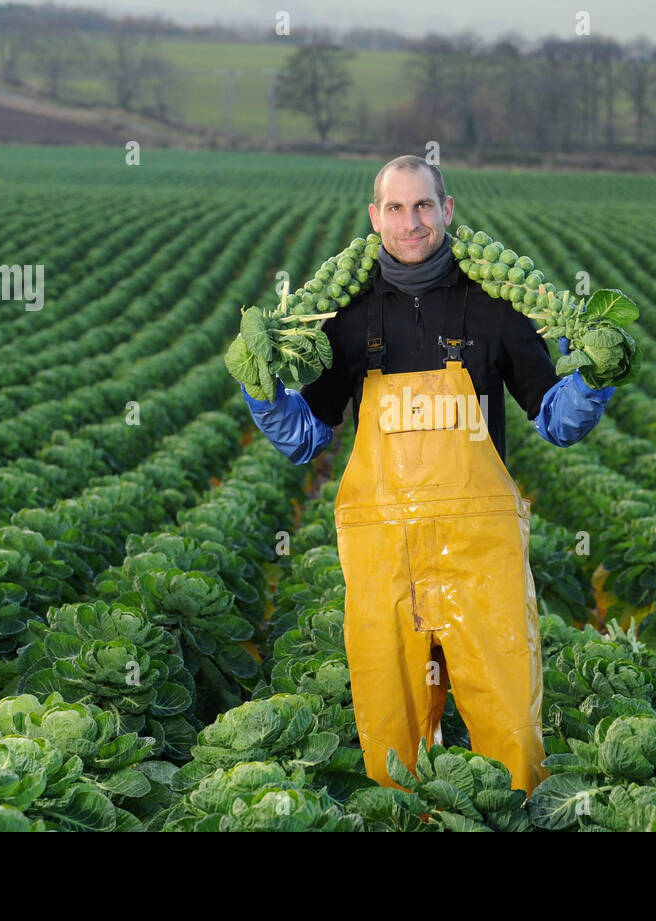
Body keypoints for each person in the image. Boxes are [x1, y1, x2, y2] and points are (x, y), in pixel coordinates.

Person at [240, 155, 615, 794]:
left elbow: (556, 420)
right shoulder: (349, 318)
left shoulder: (496, 309)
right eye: (395, 208)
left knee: (513, 735)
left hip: (479, 554)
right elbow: (307, 438)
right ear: (374, 217)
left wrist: (596, 375)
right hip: (385, 556)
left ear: (446, 211)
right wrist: (261, 388)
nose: (409, 222)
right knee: (390, 739)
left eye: (422, 207)